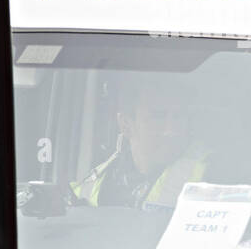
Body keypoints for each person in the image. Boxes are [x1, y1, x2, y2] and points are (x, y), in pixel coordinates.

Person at [73, 80, 211, 209]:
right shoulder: (93, 186)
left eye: (179, 116)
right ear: (126, 125)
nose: (171, 130)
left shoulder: (213, 175)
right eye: (158, 116)